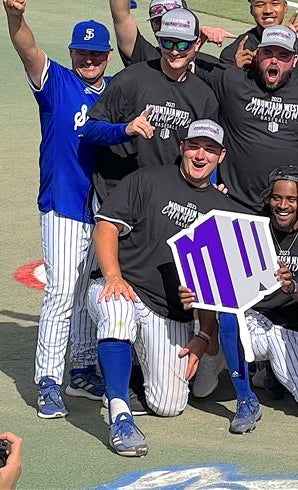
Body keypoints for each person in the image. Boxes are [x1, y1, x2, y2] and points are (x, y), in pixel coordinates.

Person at [89, 120, 237, 456]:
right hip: (126, 286)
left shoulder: (225, 210)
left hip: (168, 310)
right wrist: (113, 275)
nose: (201, 155)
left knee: (168, 404)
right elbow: (106, 227)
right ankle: (120, 414)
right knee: (117, 310)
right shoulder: (148, 179)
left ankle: (133, 371)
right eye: (195, 146)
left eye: (210, 149)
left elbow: (218, 287)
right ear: (182, 147)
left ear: (221, 156)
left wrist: (203, 335)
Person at [5, 0, 110, 417]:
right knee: (63, 292)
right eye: (82, 53)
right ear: (71, 53)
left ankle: (83, 367)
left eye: (96, 54)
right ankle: (49, 378)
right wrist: (15, 19)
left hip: (101, 209)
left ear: (106, 57)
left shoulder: (116, 92)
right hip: (63, 204)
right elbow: (27, 49)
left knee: (87, 290)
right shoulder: (57, 83)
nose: (89, 59)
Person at [183, 166, 298, 434]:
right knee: (230, 316)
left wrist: (293, 287)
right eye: (277, 197)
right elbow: (216, 277)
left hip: (291, 328)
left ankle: (272, 373)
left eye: (291, 199)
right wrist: (195, 294)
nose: (283, 205)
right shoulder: (250, 226)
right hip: (252, 321)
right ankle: (245, 398)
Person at [80, 8, 219, 204]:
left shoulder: (204, 97)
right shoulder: (131, 79)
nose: (175, 51)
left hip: (168, 201)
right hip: (117, 196)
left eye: (183, 44)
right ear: (159, 42)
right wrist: (125, 130)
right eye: (167, 42)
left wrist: (208, 186)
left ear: (197, 44)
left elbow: (209, 150)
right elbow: (90, 130)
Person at [196, 26, 298, 209]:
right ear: (257, 54)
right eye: (267, 53)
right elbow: (181, 60)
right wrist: (200, 39)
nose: (274, 61)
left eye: (283, 55)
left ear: (294, 60)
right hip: (232, 200)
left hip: (284, 208)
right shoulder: (234, 81)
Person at [220, 0, 289, 64]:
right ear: (251, 10)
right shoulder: (234, 54)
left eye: (275, 3)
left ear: (285, 7)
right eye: (260, 5)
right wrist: (235, 70)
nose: (268, 10)